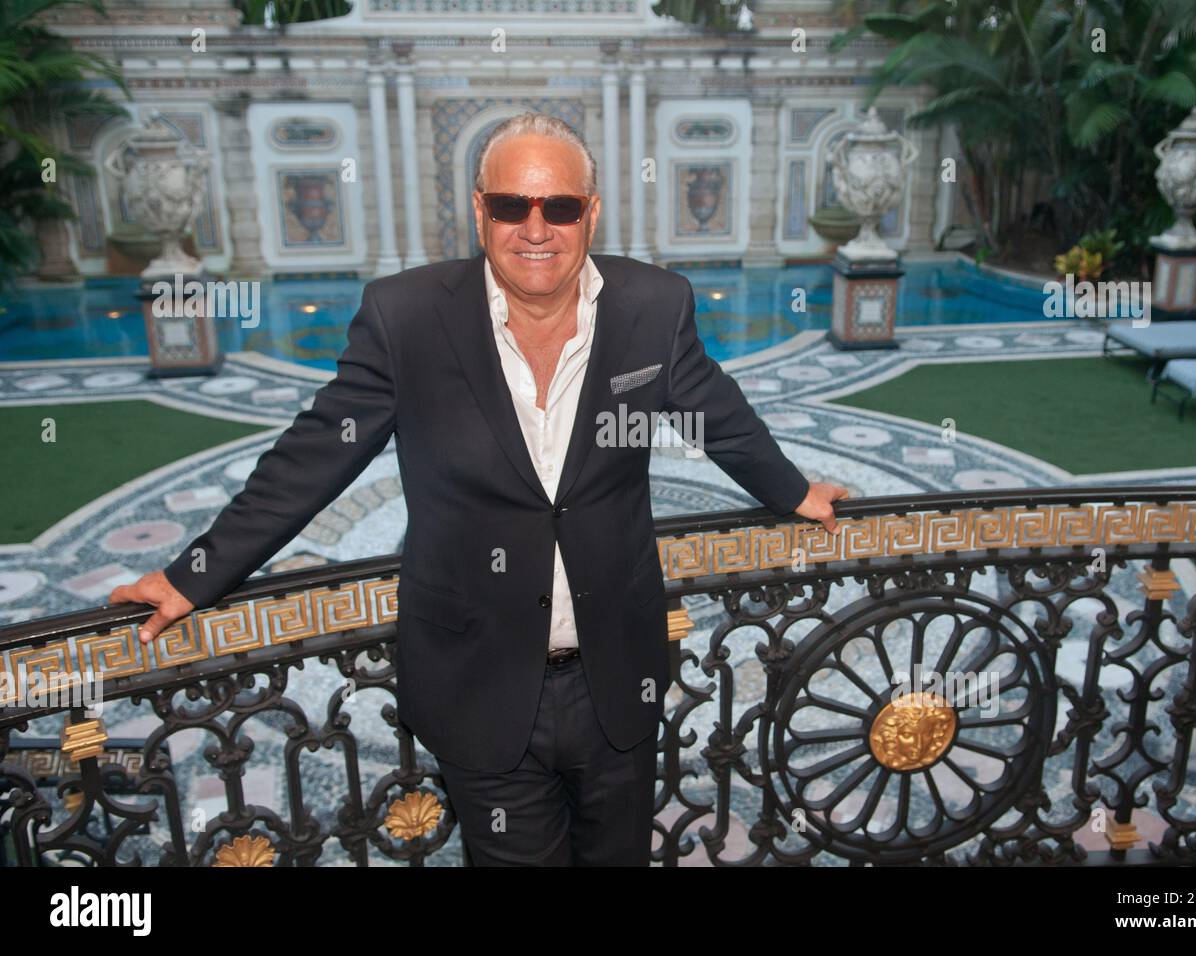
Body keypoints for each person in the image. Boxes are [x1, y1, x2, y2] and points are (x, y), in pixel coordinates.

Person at [109, 112, 848, 866]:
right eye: (510, 206)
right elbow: (312, 456)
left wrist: (794, 492)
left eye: (559, 207)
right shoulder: (406, 319)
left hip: (618, 685)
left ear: (590, 213)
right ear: (478, 210)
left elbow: (713, 414)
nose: (536, 229)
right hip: (481, 688)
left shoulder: (653, 306)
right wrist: (192, 575)